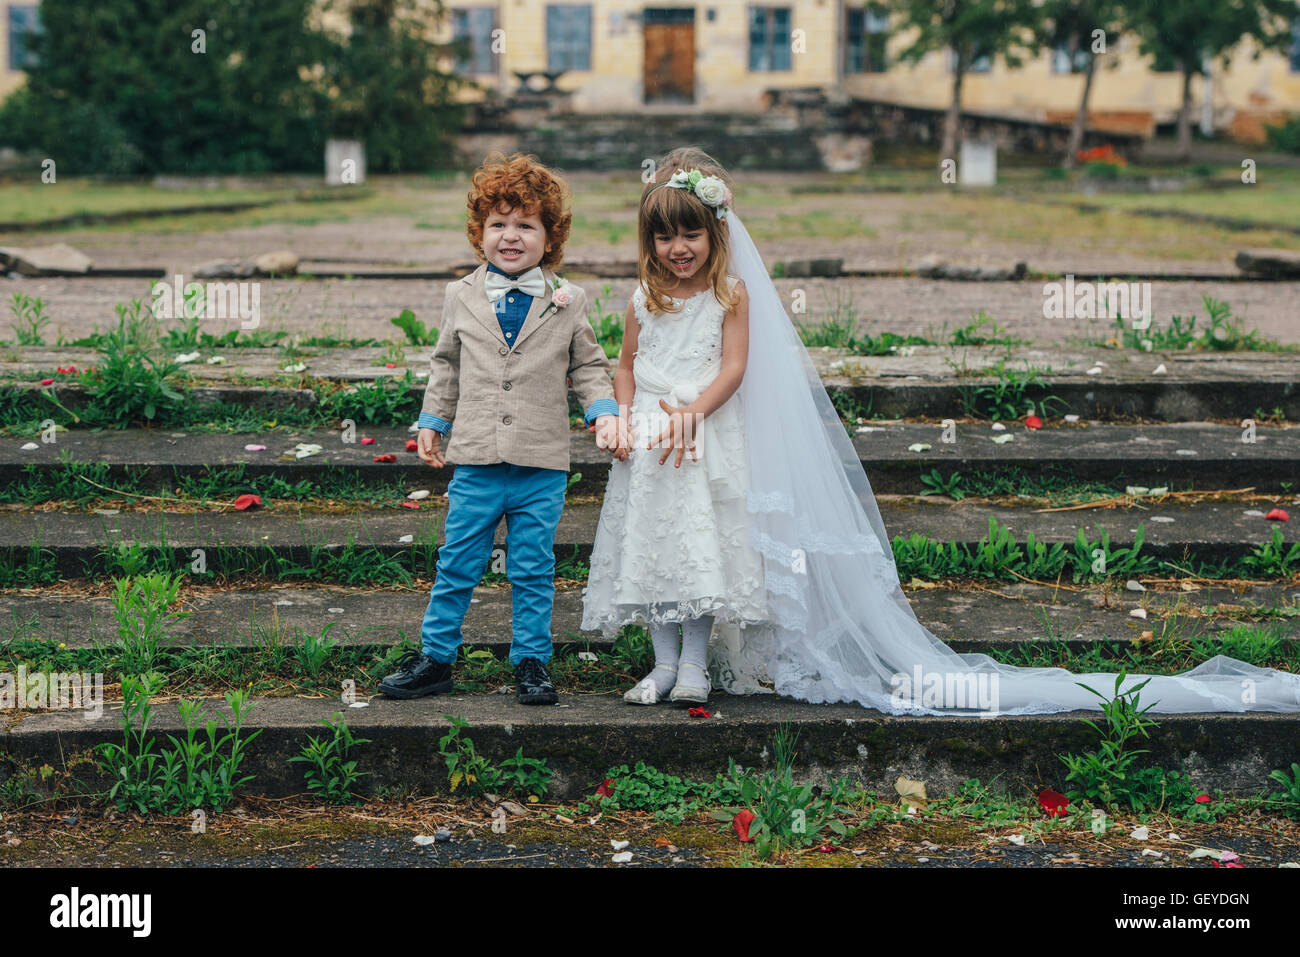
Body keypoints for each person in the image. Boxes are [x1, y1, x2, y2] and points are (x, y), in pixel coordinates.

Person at [586, 145, 1300, 716]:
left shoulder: (729, 294)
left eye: (691, 233)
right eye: (665, 236)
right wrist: (622, 417)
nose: (679, 248)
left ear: (715, 232)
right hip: (650, 440)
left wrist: (691, 412)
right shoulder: (641, 300)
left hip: (705, 434)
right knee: (654, 551)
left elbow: (735, 369)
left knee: (707, 545)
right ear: (648, 242)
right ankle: (660, 659)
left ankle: (693, 667)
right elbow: (626, 365)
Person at [380, 151, 625, 704]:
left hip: (540, 464)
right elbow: (447, 363)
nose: (510, 236)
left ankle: (532, 660)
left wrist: (602, 410)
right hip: (477, 461)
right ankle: (437, 657)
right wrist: (433, 420)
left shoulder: (568, 300)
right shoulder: (459, 295)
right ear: (479, 233)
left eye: (525, 225)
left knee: (533, 567)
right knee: (457, 561)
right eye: (498, 225)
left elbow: (587, 366)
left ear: (550, 236)